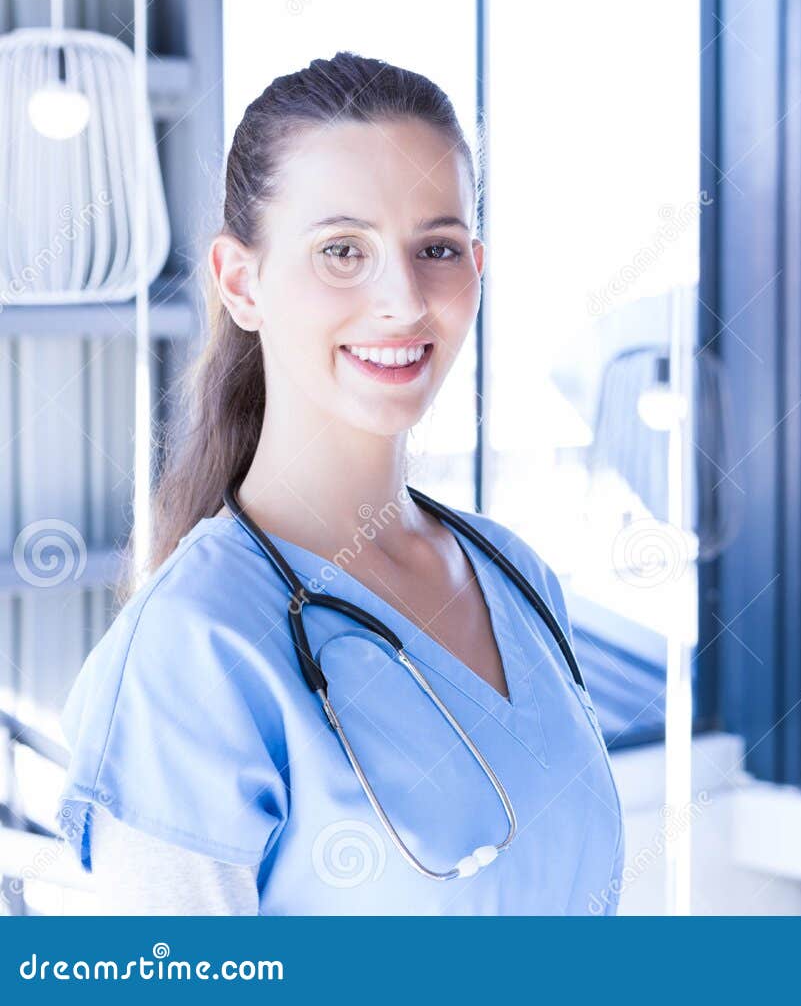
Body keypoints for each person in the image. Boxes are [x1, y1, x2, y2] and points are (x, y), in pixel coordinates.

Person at [57, 53, 623, 914]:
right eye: (341, 250)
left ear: (476, 264)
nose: (401, 300)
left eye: (435, 247)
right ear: (241, 283)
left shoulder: (517, 575)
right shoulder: (192, 649)